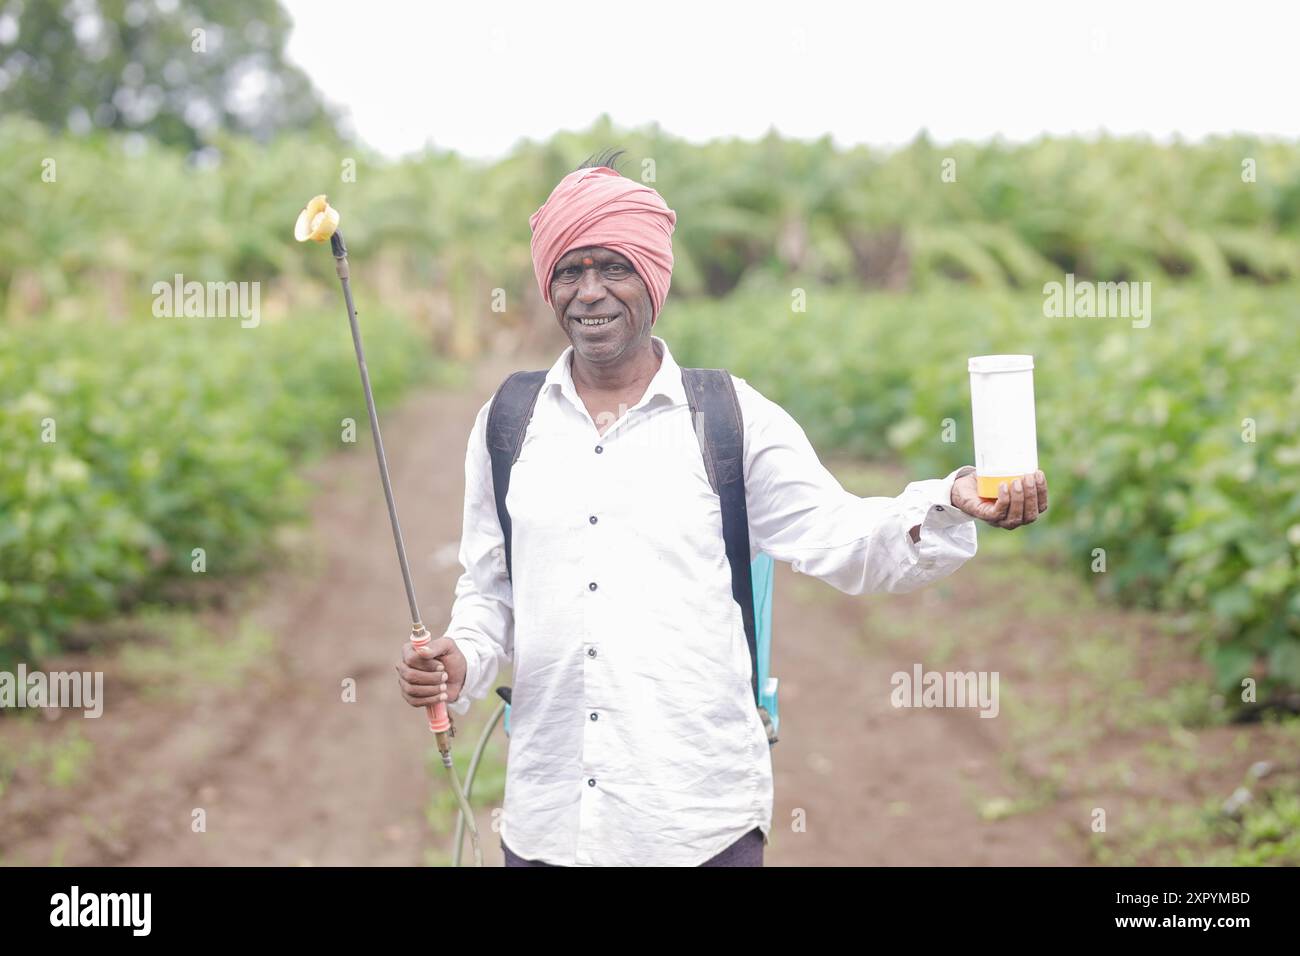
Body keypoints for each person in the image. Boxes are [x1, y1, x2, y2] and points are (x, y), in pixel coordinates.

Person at [396, 150, 1048, 867]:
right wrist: (462, 660)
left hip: (699, 825)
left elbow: (846, 539)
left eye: (613, 267)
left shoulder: (730, 420)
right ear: (547, 283)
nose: (589, 292)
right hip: (551, 825)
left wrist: (948, 502)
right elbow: (490, 590)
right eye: (569, 270)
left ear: (653, 277)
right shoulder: (509, 422)